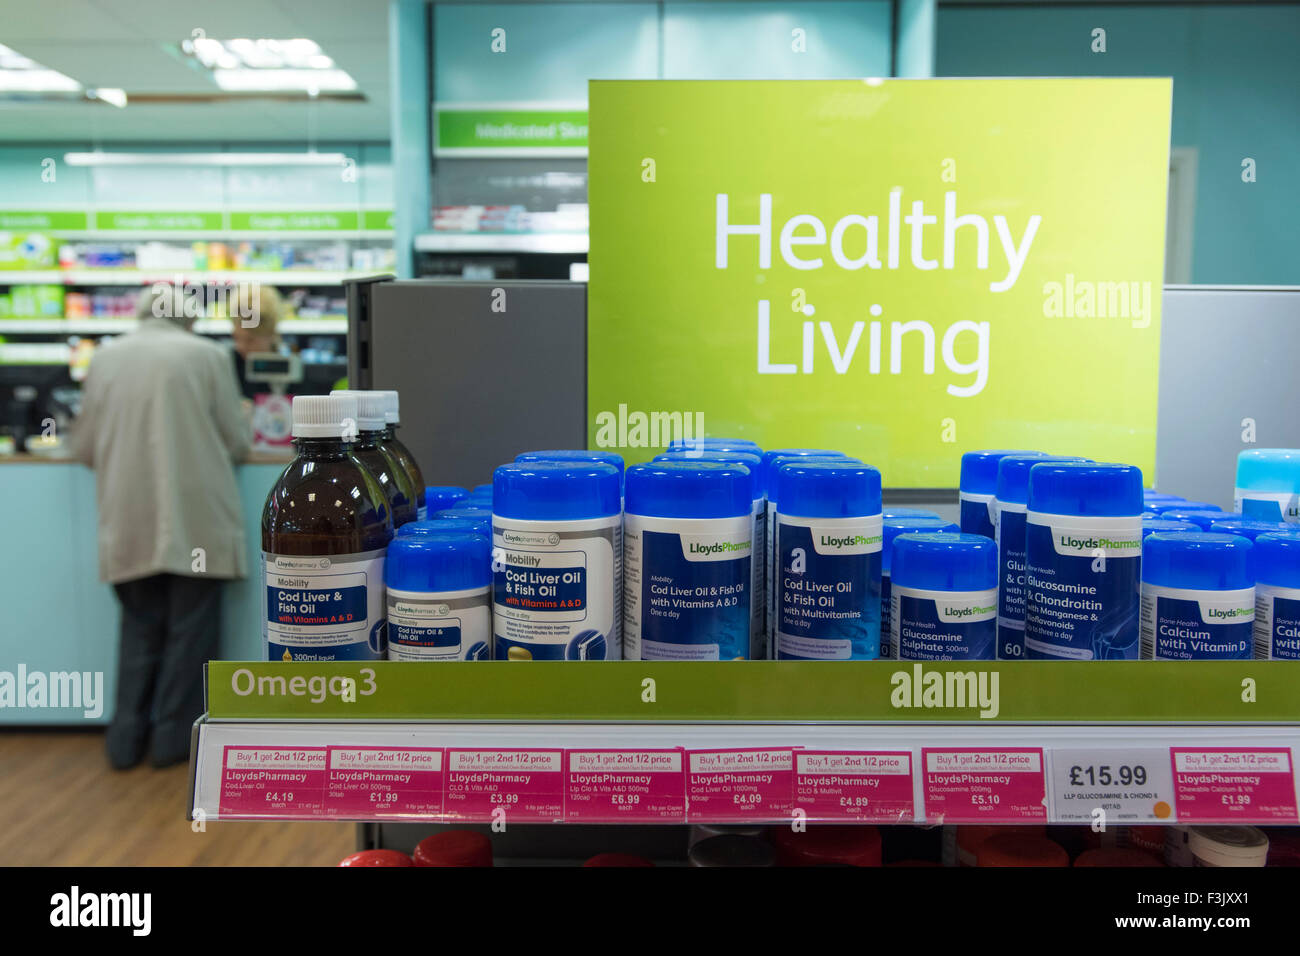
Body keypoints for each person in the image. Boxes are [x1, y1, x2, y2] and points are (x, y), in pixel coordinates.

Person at [71, 283, 252, 769]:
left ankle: (125, 742)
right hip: (194, 521)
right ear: (188, 318)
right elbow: (236, 442)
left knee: (139, 629)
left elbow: (82, 446)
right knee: (190, 633)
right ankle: (175, 746)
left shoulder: (106, 358)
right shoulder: (207, 356)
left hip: (129, 522)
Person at [228, 283, 285, 399]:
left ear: (271, 335)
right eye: (236, 338)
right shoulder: (228, 367)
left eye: (250, 340)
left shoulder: (286, 373)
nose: (241, 346)